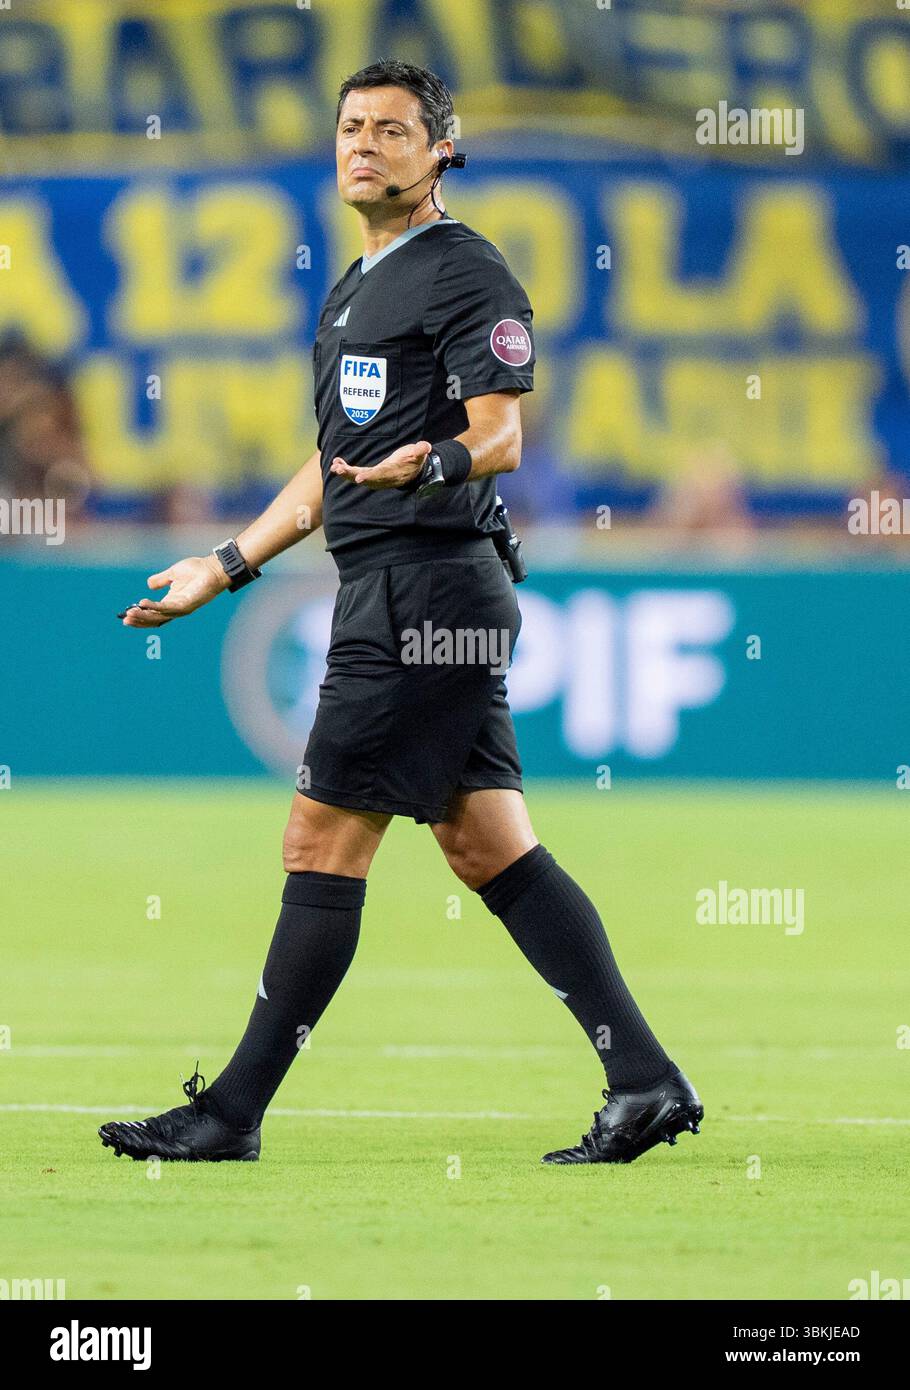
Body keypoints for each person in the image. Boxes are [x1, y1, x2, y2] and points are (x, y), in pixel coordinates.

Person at [99, 59, 702, 1167]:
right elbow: (331, 467)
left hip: (424, 593)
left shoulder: (466, 271)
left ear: (440, 152)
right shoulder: (351, 285)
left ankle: (230, 1113)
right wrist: (222, 564)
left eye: (389, 130)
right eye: (348, 129)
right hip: (410, 592)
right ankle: (645, 1080)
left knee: (319, 835)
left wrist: (438, 463)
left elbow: (503, 434)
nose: (362, 145)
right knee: (486, 844)